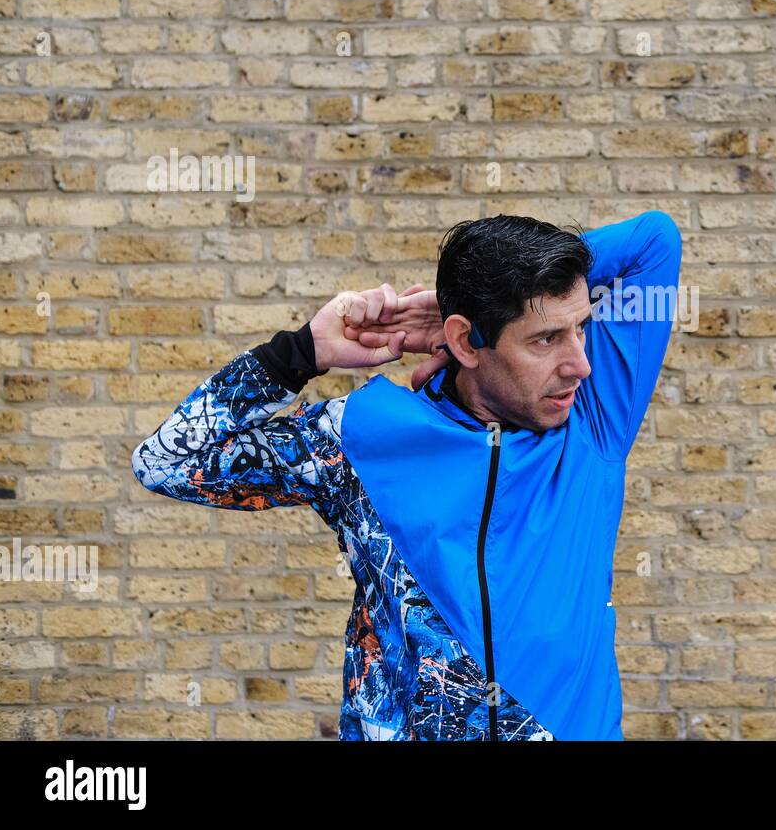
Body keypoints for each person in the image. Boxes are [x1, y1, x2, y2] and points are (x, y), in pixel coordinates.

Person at [131, 210, 683, 740]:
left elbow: (654, 240)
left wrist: (465, 299)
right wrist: (302, 352)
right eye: (545, 339)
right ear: (468, 341)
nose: (580, 363)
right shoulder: (365, 433)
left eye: (580, 329)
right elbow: (166, 462)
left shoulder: (595, 416)